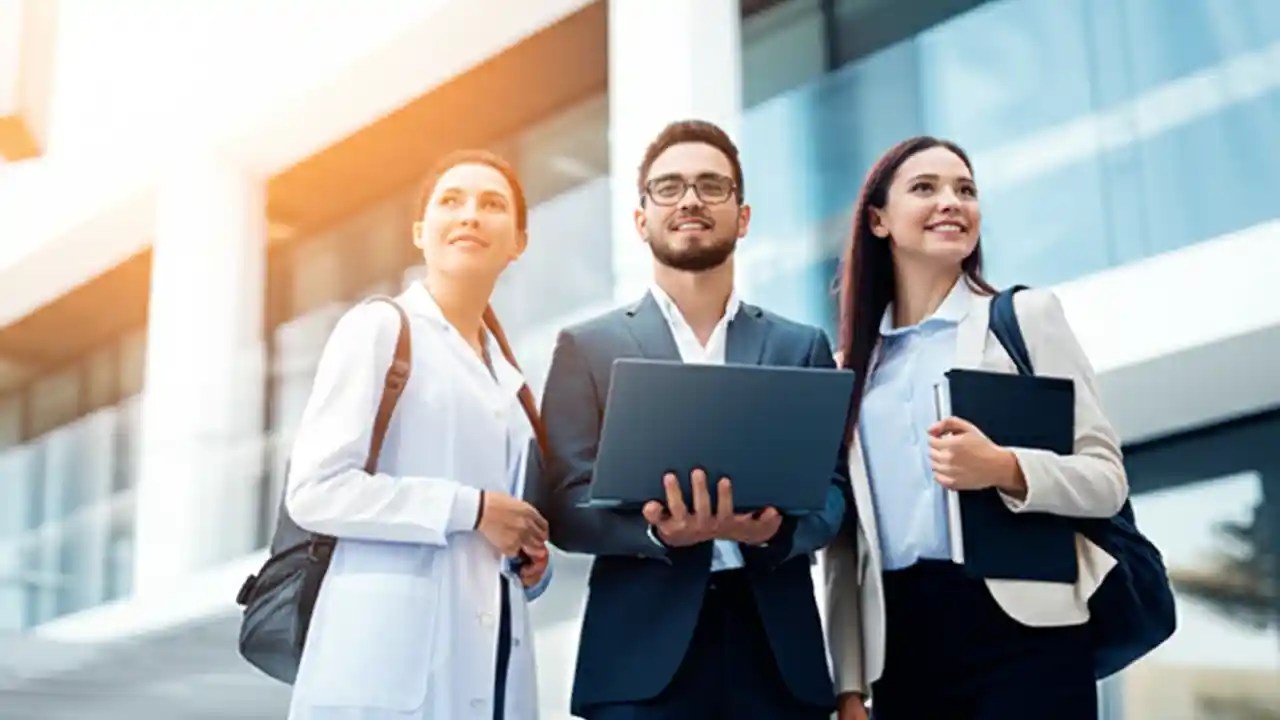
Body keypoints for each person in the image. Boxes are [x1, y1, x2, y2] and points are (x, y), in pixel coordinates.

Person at [539, 119, 849, 720]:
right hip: (638, 663)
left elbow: (834, 496)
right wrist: (655, 534)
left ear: (743, 215)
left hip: (778, 658)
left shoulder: (799, 345)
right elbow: (562, 503)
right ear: (641, 218)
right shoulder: (587, 348)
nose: (689, 200)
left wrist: (774, 533)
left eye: (712, 186)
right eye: (669, 187)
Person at [822, 136, 1127, 720]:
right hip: (903, 646)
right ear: (879, 220)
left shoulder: (1025, 320)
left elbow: (1106, 479)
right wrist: (848, 685)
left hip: (1025, 633)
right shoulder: (851, 371)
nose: (952, 202)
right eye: (925, 188)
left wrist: (1005, 468)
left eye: (965, 190)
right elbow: (845, 546)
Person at [283, 149, 554, 719]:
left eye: (492, 204)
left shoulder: (506, 374)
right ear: (419, 232)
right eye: (451, 201)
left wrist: (529, 560)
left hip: (490, 659)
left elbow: (495, 527)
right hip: (386, 664)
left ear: (519, 242)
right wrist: (472, 509)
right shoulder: (380, 328)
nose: (470, 215)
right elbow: (315, 490)